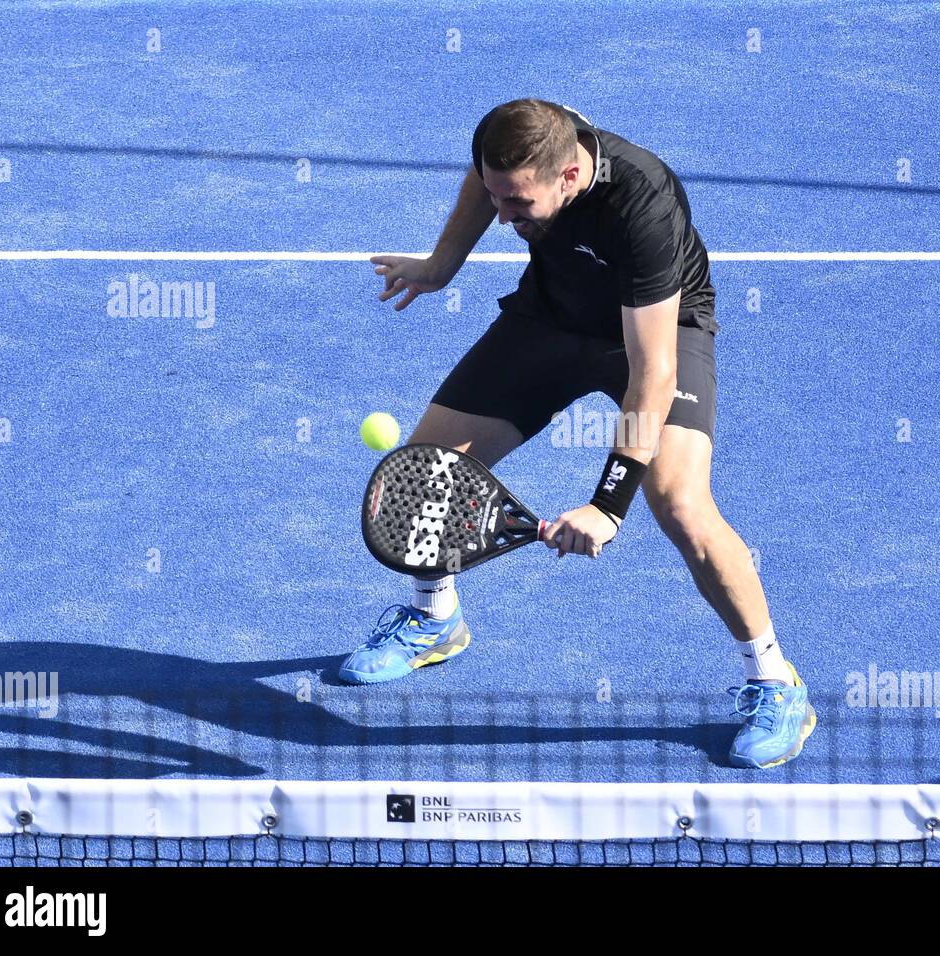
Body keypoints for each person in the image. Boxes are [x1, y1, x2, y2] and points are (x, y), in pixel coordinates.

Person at [340, 99, 814, 769]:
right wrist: (442, 264)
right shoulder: (521, 143)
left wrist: (608, 505)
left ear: (568, 176)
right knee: (426, 472)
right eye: (500, 197)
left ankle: (775, 681)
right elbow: (486, 177)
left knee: (679, 503)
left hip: (655, 338)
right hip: (552, 319)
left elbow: (650, 376)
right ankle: (434, 619)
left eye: (520, 203)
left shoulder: (640, 208)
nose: (505, 216)